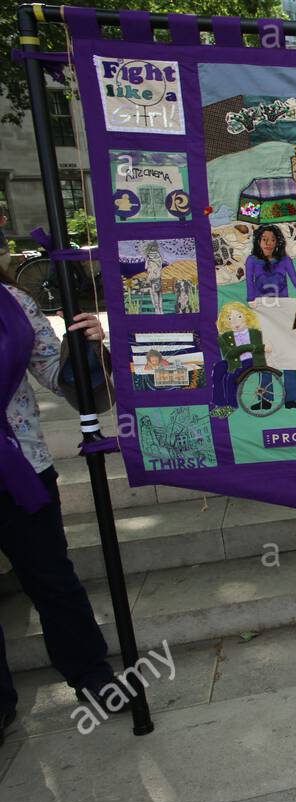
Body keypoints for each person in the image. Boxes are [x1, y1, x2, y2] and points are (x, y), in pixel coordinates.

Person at [1, 277, 132, 746]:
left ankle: (90, 675)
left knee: (51, 578)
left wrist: (89, 350)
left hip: (19, 467)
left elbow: (64, 381)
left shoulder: (14, 305)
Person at [244, 224, 296, 411]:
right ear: (258, 241)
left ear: (278, 241)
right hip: (263, 313)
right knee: (264, 355)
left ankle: (291, 397)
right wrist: (251, 301)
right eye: (264, 240)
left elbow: (295, 281)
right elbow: (249, 283)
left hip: (283, 313)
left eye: (272, 240)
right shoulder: (252, 260)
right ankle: (265, 397)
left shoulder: (285, 260)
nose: (268, 243)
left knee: (288, 352)